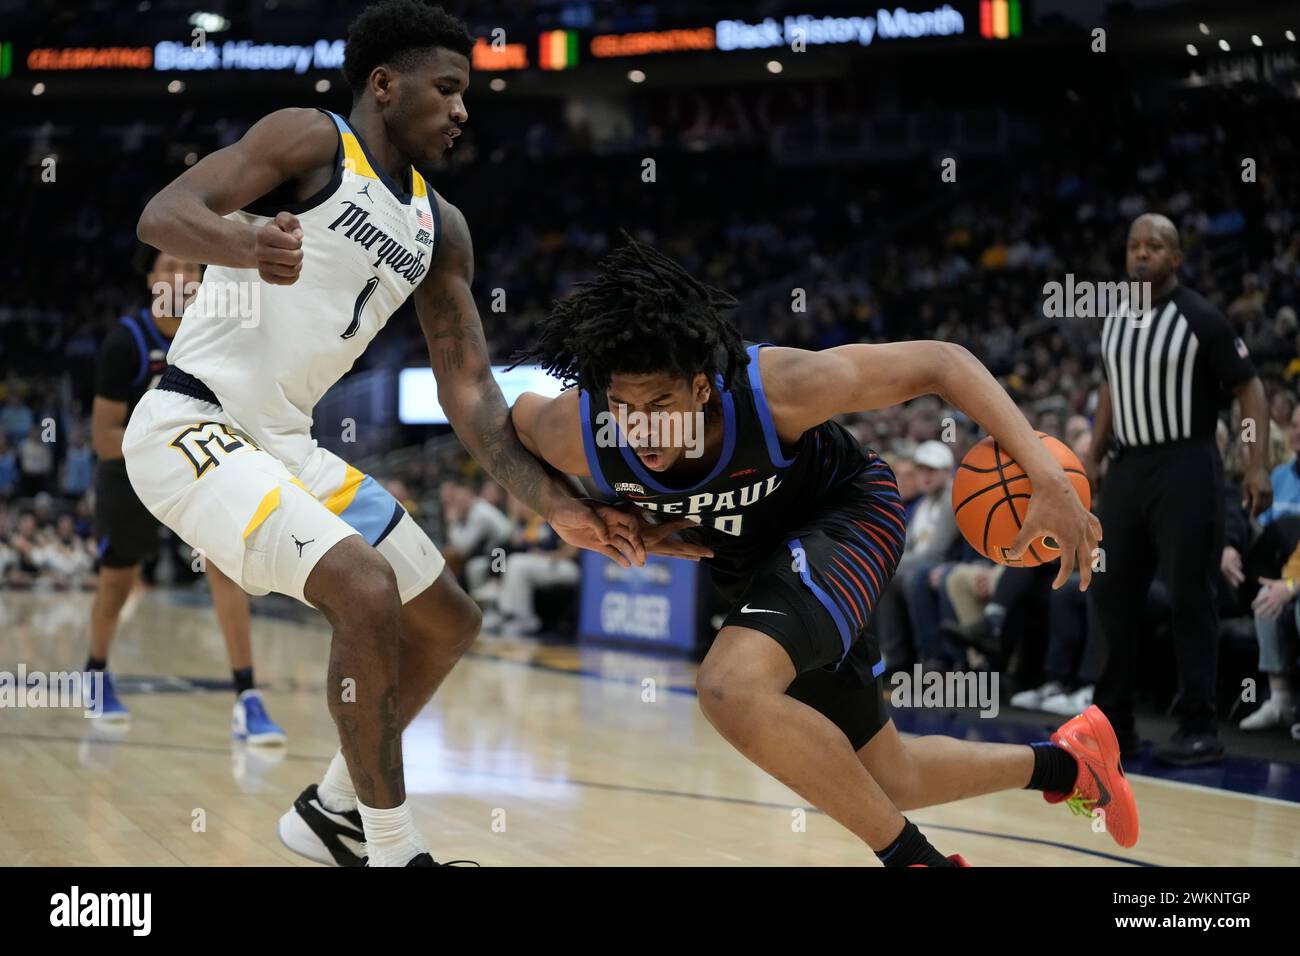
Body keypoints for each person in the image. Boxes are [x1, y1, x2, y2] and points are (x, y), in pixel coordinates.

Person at [123, 1, 639, 867]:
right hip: (190, 420)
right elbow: (164, 213)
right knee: (364, 589)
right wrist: (240, 244)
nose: (462, 109)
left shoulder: (443, 229)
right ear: (384, 84)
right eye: (446, 89)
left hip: (284, 443)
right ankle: (394, 851)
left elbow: (471, 391)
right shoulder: (310, 139)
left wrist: (554, 501)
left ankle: (329, 812)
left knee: (446, 621)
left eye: (467, 93)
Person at [510, 237, 1135, 864]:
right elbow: (499, 418)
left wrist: (1048, 478)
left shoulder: (776, 389)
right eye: (624, 409)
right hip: (755, 563)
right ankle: (1070, 764)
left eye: (660, 406)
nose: (642, 428)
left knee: (728, 686)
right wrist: (569, 510)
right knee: (889, 781)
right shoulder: (580, 430)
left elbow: (943, 362)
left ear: (701, 389)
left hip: (847, 514)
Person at [1088, 213, 1272, 766]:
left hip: (1186, 465)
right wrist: (1092, 455)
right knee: (1110, 593)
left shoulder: (1200, 317)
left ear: (1177, 259)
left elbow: (1250, 386)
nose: (1142, 255)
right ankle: (1113, 726)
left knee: (1191, 596)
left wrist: (1256, 463)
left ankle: (1199, 726)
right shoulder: (1116, 317)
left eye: (1156, 246)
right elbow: (1110, 388)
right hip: (1125, 470)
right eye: (1134, 246)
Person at [86, 247, 285, 742]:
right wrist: (158, 460)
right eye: (168, 266)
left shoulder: (219, 337)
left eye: (190, 267)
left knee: (225, 569)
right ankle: (95, 673)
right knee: (117, 581)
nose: (180, 275)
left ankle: (247, 696)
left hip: (197, 471)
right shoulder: (126, 343)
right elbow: (103, 434)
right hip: (129, 473)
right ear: (152, 278)